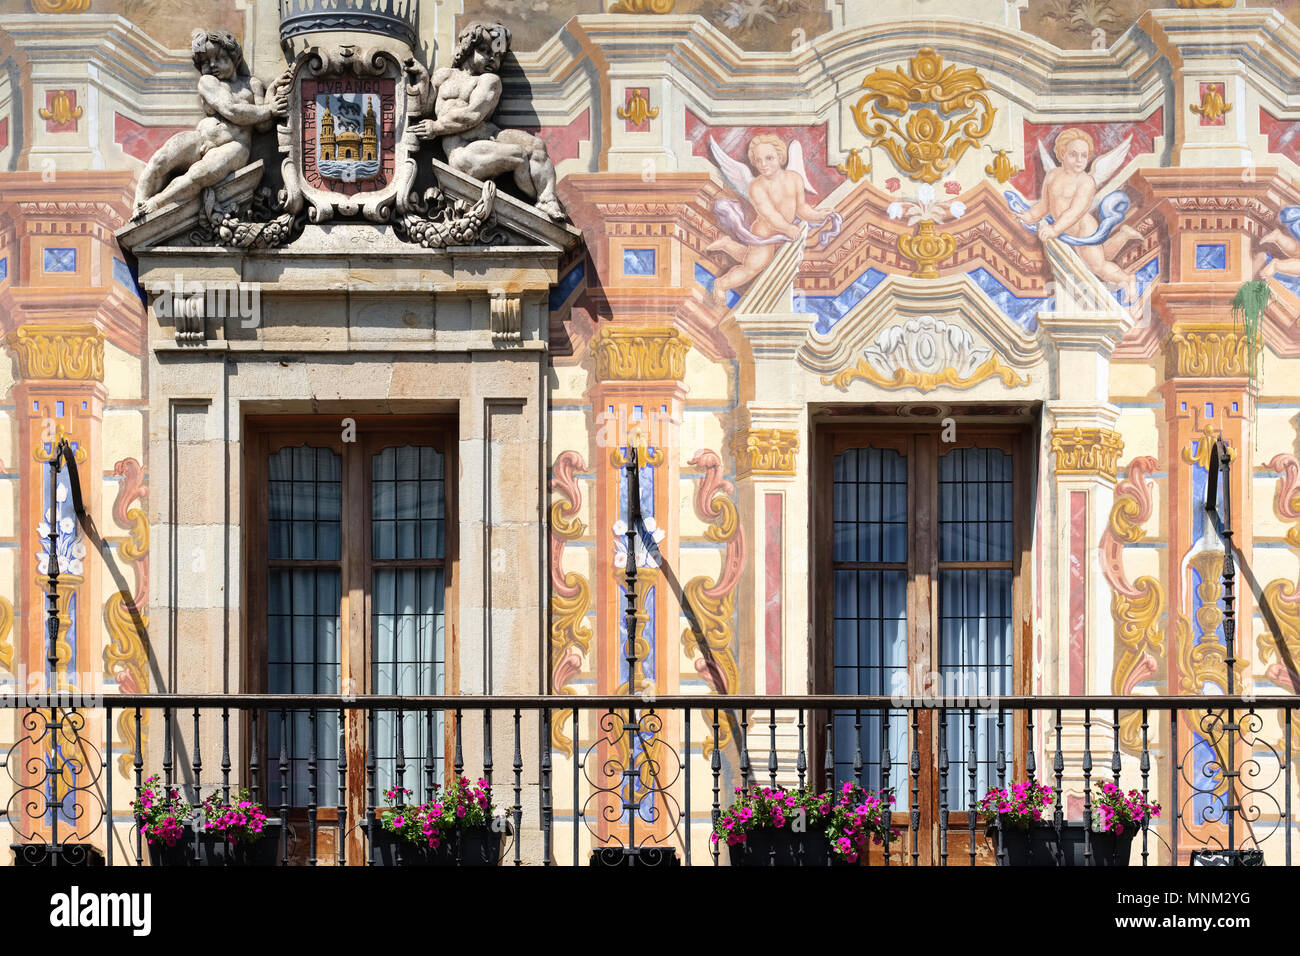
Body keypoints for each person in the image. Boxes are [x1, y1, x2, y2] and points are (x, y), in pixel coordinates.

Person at [405, 22, 565, 221]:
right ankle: (531, 188)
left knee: (536, 145)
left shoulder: (489, 81)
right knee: (518, 154)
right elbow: (425, 108)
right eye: (485, 50)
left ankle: (547, 199)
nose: (492, 58)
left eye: (498, 55)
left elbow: (473, 115)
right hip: (462, 150)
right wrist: (422, 79)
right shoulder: (443, 75)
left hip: (487, 135)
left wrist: (436, 127)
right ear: (468, 49)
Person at [132, 30, 286, 220]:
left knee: (200, 173)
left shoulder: (253, 85)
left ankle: (156, 203)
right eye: (205, 61)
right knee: (161, 159)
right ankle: (138, 207)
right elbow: (230, 110)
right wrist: (269, 109)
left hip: (235, 145)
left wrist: (270, 94)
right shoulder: (208, 82)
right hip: (201, 137)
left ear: (234, 58)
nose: (212, 65)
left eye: (219, 58)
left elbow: (264, 126)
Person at [1018, 128, 1140, 302]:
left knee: (1097, 266)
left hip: (1083, 230)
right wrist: (1030, 216)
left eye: (1084, 155)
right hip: (1064, 230)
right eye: (1073, 155)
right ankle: (1124, 235)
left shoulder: (1086, 182)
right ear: (1061, 154)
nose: (1079, 160)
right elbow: (1046, 204)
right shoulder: (1052, 175)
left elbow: (1075, 212)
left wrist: (1054, 229)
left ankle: (1127, 279)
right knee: (1092, 261)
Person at [706, 134, 832, 300]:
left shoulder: (795, 178)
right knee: (753, 266)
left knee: (755, 259)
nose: (763, 164)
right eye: (758, 161)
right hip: (764, 233)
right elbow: (770, 215)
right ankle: (721, 285)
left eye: (769, 158)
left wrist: (818, 216)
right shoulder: (757, 186)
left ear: (780, 157)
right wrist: (787, 228)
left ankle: (727, 245)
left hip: (785, 231)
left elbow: (801, 209)